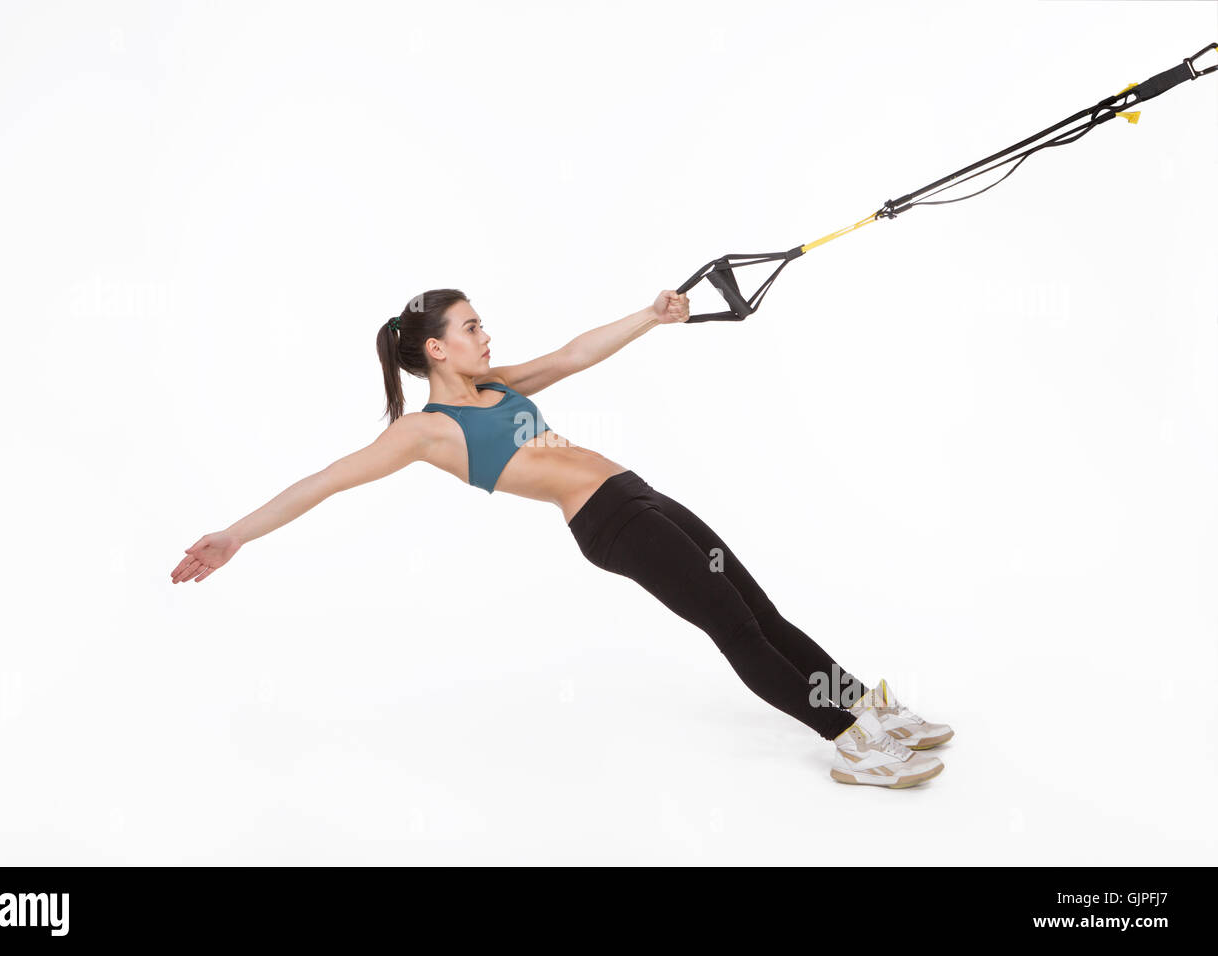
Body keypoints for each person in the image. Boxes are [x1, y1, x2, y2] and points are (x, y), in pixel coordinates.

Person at [170, 289, 954, 788]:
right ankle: (853, 745)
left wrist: (652, 315)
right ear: (435, 347)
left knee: (761, 609)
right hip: (611, 524)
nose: (485, 334)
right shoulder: (425, 431)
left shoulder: (499, 383)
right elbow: (325, 479)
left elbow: (574, 353)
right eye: (471, 327)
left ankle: (864, 707)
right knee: (735, 626)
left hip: (640, 494)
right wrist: (234, 534)